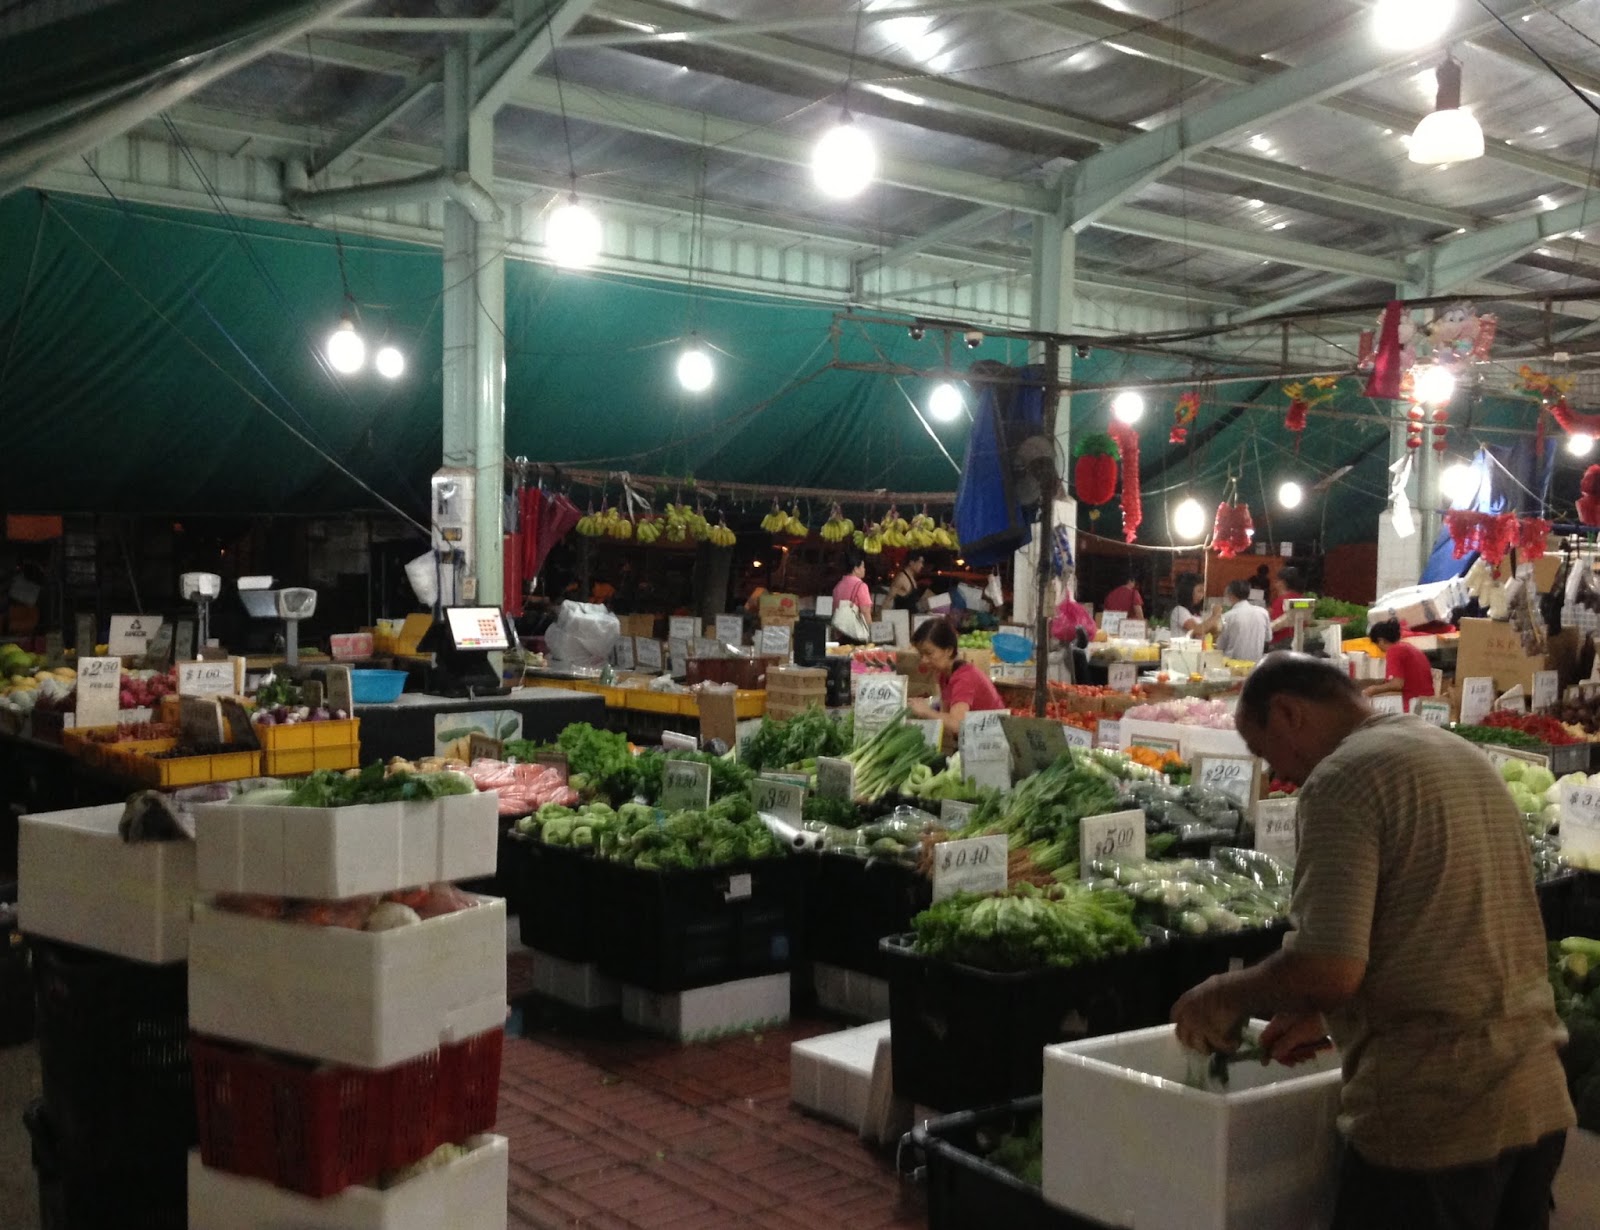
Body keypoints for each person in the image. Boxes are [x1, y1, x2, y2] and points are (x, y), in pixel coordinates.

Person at [1173, 654, 1573, 1230]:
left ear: (1287, 713)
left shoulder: (1344, 778)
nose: (1281, 775)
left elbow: (1328, 969)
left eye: (1267, 753)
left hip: (1435, 1120)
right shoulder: (1458, 753)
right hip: (1533, 1098)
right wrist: (1331, 1018)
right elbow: (1445, 926)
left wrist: (1223, 993)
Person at [907, 619, 1004, 744]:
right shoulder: (944, 675)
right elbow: (945, 716)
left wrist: (926, 711)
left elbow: (957, 724)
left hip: (990, 743)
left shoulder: (965, 678)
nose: (924, 660)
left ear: (949, 650)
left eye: (929, 653)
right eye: (921, 654)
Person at [1364, 618, 1436, 710]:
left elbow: (1397, 684)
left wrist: (1373, 689)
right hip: (1427, 702)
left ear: (1381, 640)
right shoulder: (1409, 648)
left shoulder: (1394, 651)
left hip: (1412, 705)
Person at [1215, 579, 1272, 662]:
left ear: (1231, 595)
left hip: (1232, 664)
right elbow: (1268, 638)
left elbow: (1220, 645)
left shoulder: (1228, 616)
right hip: (1256, 664)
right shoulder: (1263, 612)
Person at [830, 550, 874, 644]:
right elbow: (866, 612)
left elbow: (834, 610)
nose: (864, 569)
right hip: (856, 636)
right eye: (862, 566)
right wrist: (871, 633)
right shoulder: (861, 586)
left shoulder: (838, 586)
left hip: (840, 635)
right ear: (855, 569)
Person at [1168, 572, 1221, 639]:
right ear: (1188, 591)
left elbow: (1207, 632)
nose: (1201, 596)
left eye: (1203, 592)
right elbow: (1196, 630)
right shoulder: (1179, 610)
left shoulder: (1196, 613)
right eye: (1199, 591)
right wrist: (1215, 615)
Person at [1268, 566, 1307, 645]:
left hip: (1280, 645)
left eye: (1277, 580)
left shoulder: (1281, 601)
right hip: (1298, 643)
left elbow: (1275, 626)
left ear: (1282, 583)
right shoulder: (1303, 599)